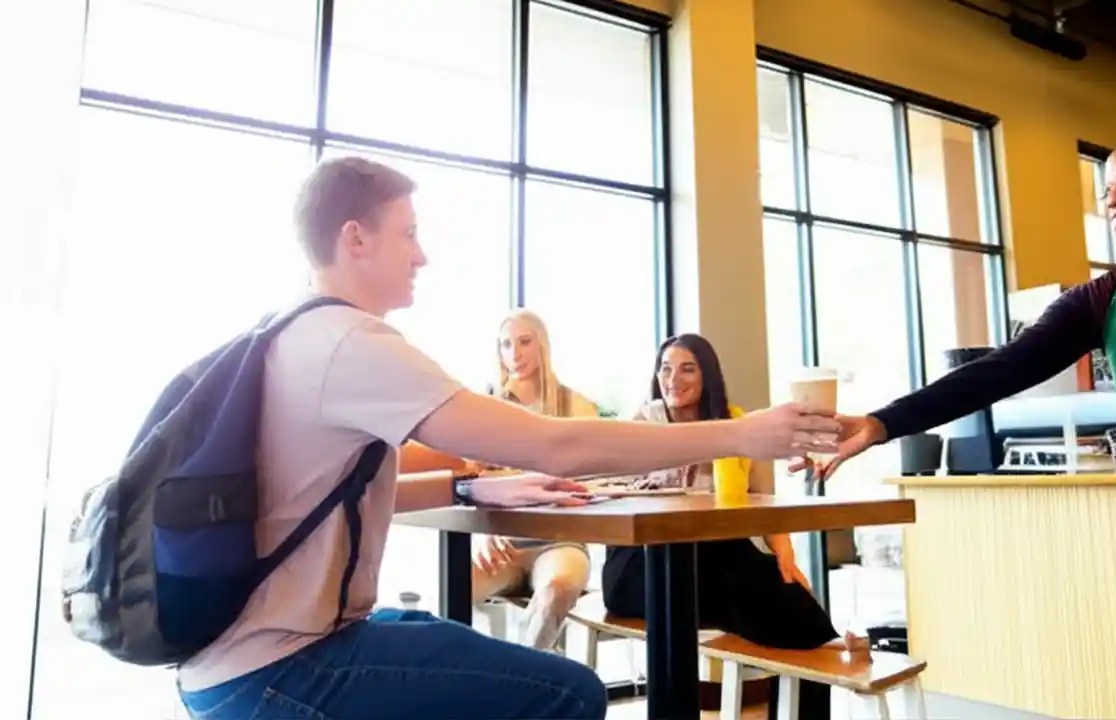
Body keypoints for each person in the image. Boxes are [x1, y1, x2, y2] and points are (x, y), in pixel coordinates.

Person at [174, 157, 842, 720]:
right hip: (280, 670)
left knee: (428, 629)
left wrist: (468, 484)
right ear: (355, 239)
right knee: (569, 692)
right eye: (408, 234)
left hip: (232, 658)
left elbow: (335, 493)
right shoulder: (351, 342)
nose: (422, 254)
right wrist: (745, 432)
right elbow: (559, 446)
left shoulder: (286, 332)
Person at [812, 125, 1116, 720]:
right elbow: (1000, 370)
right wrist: (881, 423)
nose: (1113, 200)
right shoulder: (1103, 297)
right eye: (1107, 189)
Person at [603, 333, 856, 720]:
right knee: (744, 580)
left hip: (713, 557)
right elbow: (612, 488)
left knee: (802, 620)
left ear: (708, 376)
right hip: (642, 566)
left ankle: (817, 659)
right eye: (665, 368)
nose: (673, 378)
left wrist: (783, 554)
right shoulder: (645, 422)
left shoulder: (736, 425)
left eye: (687, 368)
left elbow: (763, 500)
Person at [471, 309, 598, 650]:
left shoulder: (578, 407)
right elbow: (471, 482)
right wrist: (483, 533)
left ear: (542, 344)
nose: (515, 353)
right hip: (503, 543)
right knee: (446, 587)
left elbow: (593, 483)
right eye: (506, 344)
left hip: (561, 541)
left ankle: (527, 689)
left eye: (524, 341)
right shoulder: (484, 409)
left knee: (556, 592)